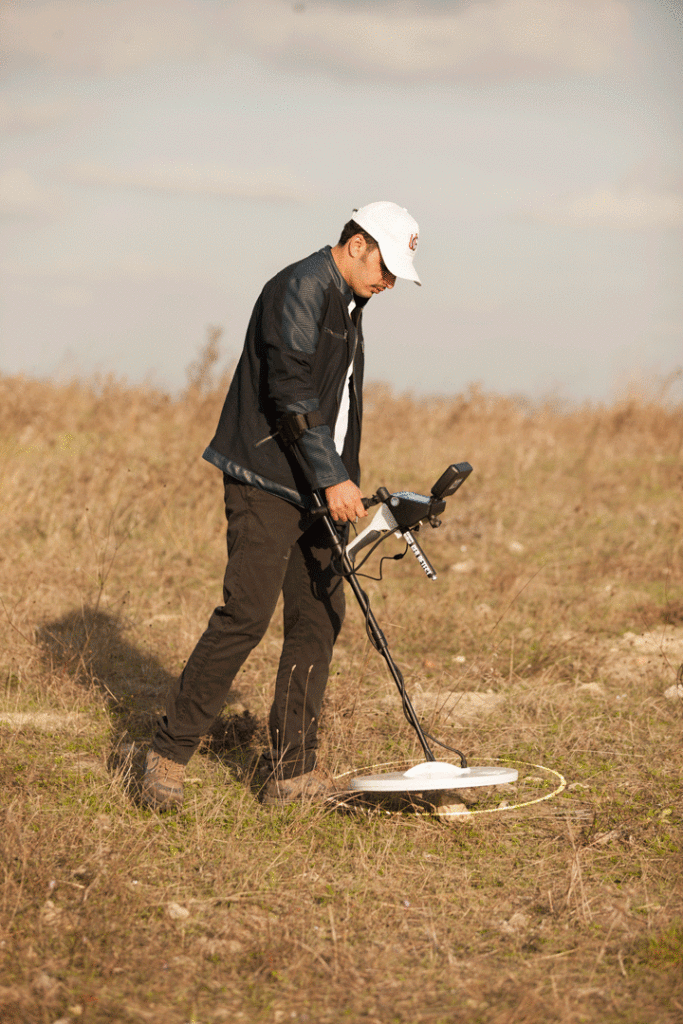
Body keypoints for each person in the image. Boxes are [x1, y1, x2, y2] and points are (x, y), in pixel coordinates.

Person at [141, 201, 421, 810]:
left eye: (399, 272)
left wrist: (343, 480)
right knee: (245, 616)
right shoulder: (298, 287)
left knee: (319, 616)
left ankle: (291, 773)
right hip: (265, 478)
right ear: (355, 244)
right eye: (386, 265)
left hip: (319, 486)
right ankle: (165, 756)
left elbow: (335, 408)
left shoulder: (350, 304)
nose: (390, 281)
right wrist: (333, 479)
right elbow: (291, 394)